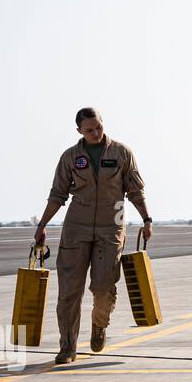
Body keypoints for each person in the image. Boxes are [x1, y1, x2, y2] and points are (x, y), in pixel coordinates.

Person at [33, 107, 151, 364]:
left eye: (98, 127)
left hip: (112, 228)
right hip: (76, 228)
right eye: (89, 130)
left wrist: (146, 219)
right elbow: (57, 195)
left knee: (103, 287)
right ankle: (67, 347)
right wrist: (42, 225)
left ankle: (99, 325)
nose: (96, 133)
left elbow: (135, 190)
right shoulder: (70, 157)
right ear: (79, 131)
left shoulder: (121, 153)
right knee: (69, 292)